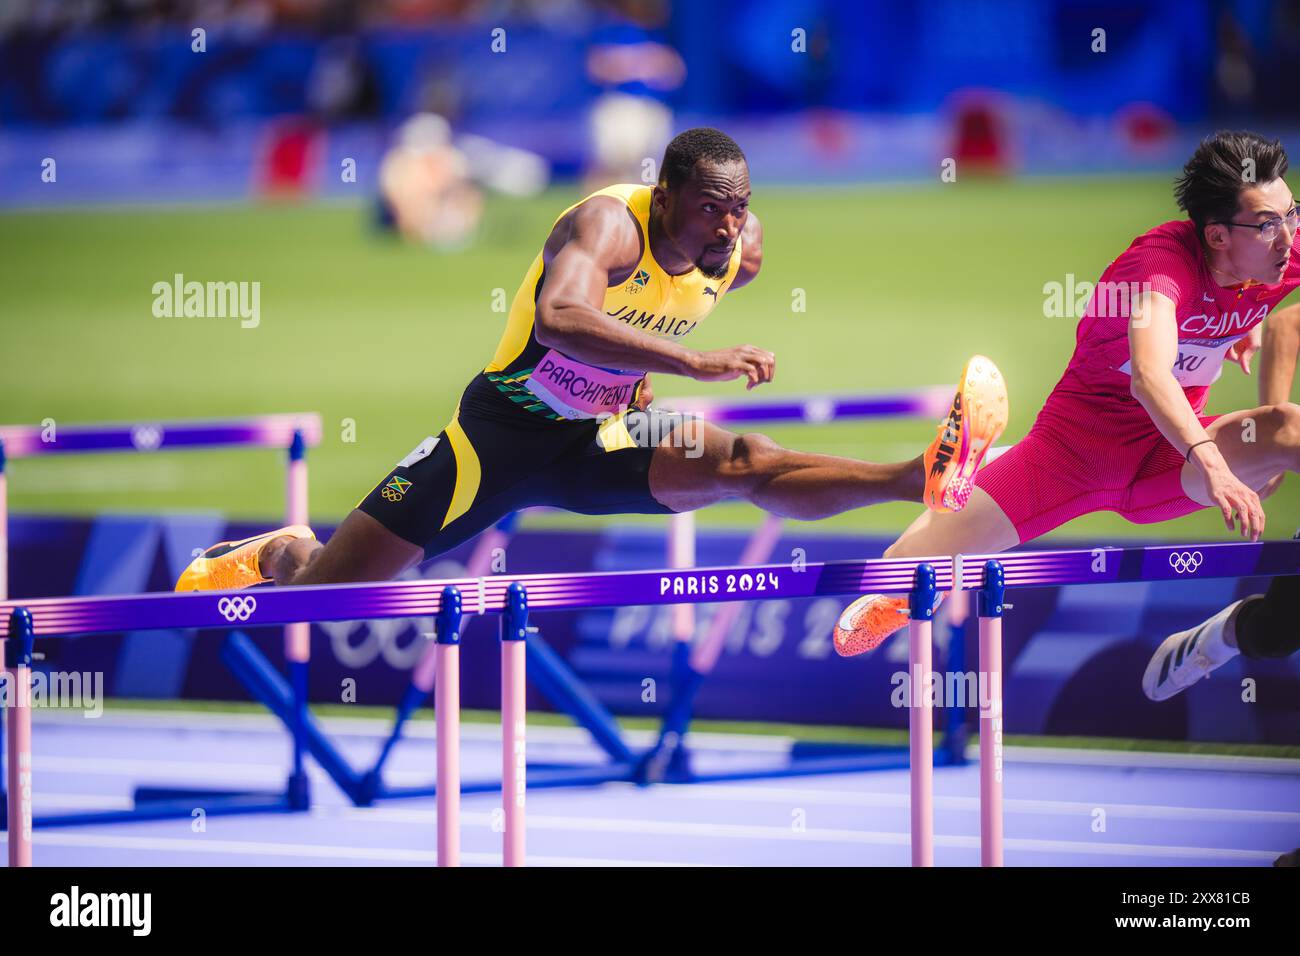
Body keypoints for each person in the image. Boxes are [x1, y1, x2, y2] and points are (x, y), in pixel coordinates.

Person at [176, 127, 1008, 592]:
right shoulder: (610, 226)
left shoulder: (740, 253)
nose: (728, 228)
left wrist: (652, 377)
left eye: (740, 211)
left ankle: (920, 477)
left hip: (604, 438)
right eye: (712, 210)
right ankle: (284, 551)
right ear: (666, 197)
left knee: (741, 463)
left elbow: (689, 291)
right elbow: (563, 316)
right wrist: (692, 363)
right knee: (324, 598)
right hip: (497, 440)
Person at [835, 130, 1300, 657]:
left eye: (1292, 214)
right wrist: (1217, 468)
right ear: (1217, 237)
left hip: (1168, 460)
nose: (1287, 236)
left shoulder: (1279, 254)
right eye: (1267, 224)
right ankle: (968, 478)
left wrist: (1246, 321)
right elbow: (1149, 375)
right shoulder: (1159, 266)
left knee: (1286, 428)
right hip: (1074, 451)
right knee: (880, 602)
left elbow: (1289, 325)